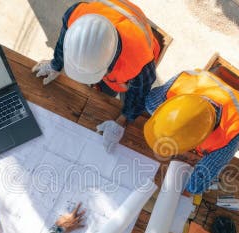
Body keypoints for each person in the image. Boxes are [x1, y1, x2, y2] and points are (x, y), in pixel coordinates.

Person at [32, 0, 159, 152]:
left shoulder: (139, 62)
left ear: (110, 62)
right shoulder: (76, 16)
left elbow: (139, 96)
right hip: (114, 18)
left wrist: (122, 121)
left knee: (127, 98)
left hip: (136, 52)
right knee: (101, 95)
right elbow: (63, 40)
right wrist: (55, 64)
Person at [143, 69, 239, 196]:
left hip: (235, 108)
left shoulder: (232, 133)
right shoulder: (182, 83)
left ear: (196, 143)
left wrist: (188, 191)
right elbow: (151, 102)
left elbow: (201, 177)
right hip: (206, 85)